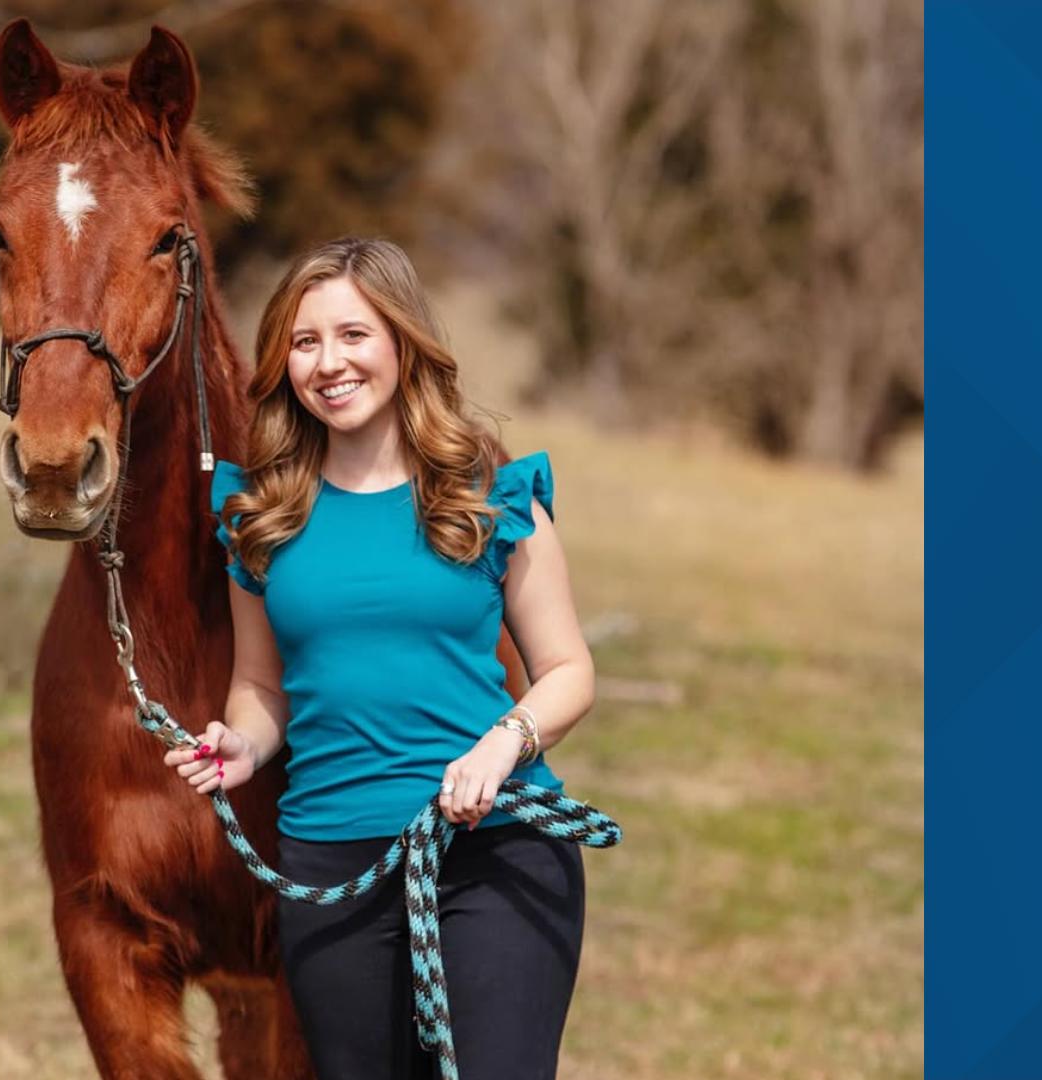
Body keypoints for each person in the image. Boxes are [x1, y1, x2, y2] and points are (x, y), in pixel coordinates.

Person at [162, 236, 597, 1079]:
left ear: (402, 341)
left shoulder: (488, 497)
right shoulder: (260, 519)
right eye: (304, 340)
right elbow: (260, 686)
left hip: (493, 848)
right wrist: (242, 744)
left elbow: (569, 670)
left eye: (354, 335)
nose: (330, 362)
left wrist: (501, 746)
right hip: (332, 860)